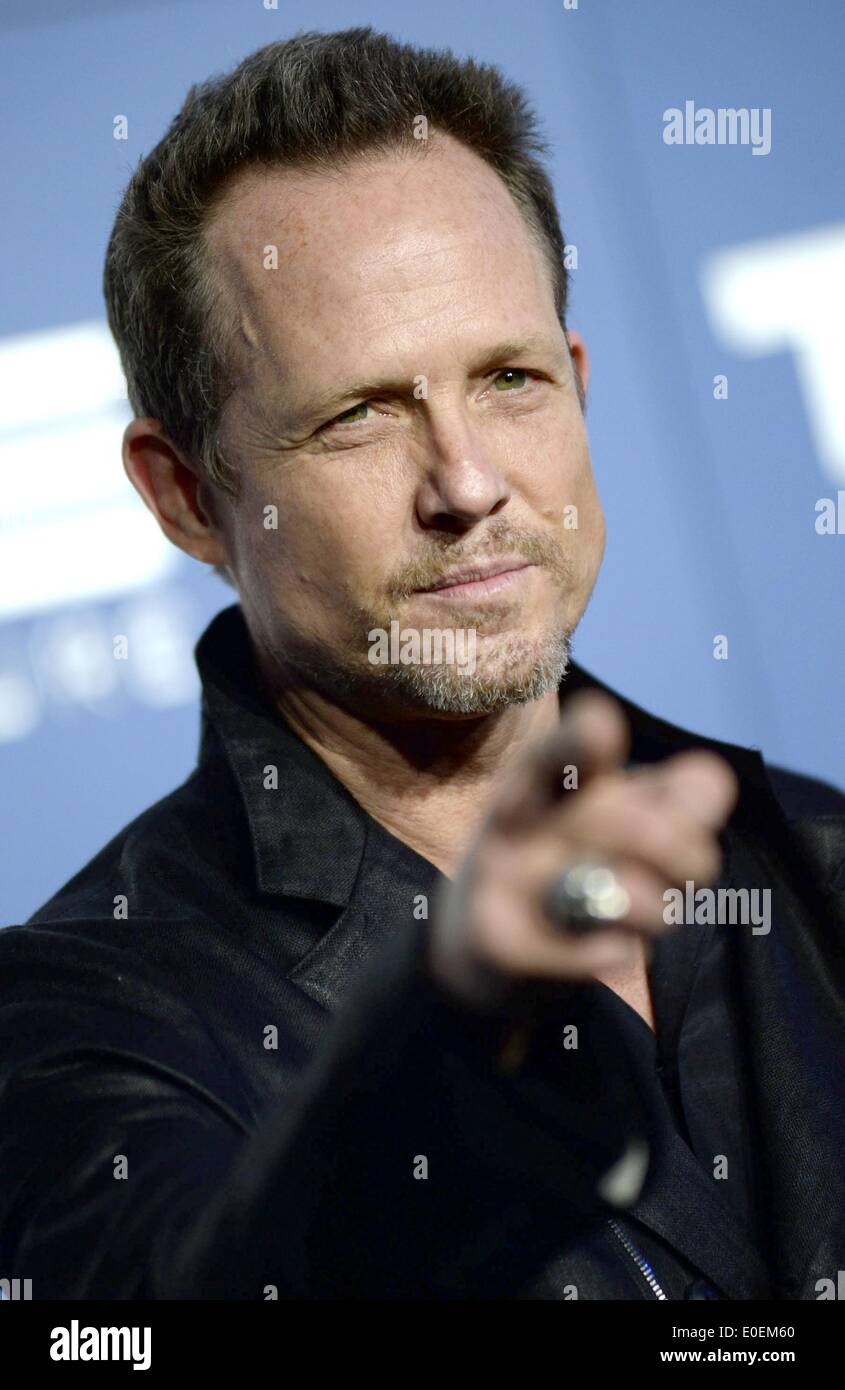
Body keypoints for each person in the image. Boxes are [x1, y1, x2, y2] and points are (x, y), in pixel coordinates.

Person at [1, 26, 843, 1301]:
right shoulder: (84, 1015)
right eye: (359, 418)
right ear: (185, 495)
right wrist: (446, 1046)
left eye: (507, 380)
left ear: (575, 382)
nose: (467, 482)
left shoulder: (818, 852)